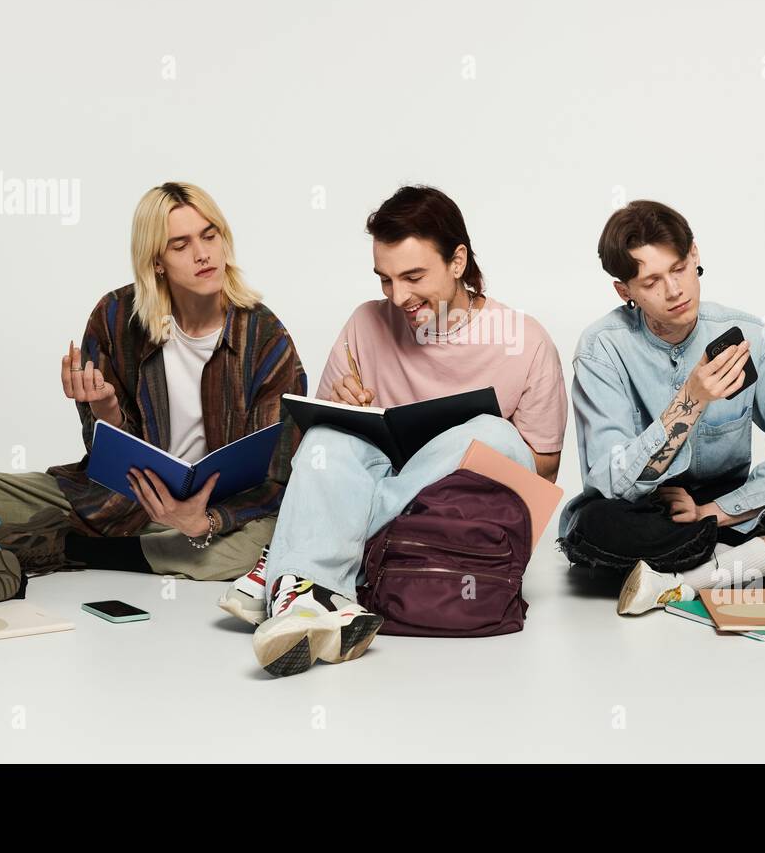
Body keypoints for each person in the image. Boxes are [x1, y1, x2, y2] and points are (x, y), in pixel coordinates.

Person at [0, 182, 307, 614]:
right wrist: (104, 409)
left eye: (210, 235)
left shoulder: (264, 337)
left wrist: (205, 520)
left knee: (253, 552)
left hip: (213, 516)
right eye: (181, 244)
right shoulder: (116, 315)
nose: (203, 254)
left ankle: (64, 548)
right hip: (122, 501)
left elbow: (278, 475)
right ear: (155, 262)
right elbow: (104, 455)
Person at [227, 185, 568, 677]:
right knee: (327, 438)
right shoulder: (367, 323)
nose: (398, 296)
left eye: (413, 276)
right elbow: (318, 459)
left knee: (492, 434)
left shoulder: (525, 339)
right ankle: (308, 601)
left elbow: (541, 476)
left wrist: (454, 448)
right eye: (385, 279)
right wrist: (340, 407)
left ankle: (292, 564)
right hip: (378, 499)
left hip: (458, 522)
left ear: (457, 261)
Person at [558, 200, 765, 614]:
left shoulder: (753, 336)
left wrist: (710, 513)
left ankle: (683, 581)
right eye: (652, 282)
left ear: (695, 255)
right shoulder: (601, 350)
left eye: (679, 268)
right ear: (624, 291)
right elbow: (612, 484)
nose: (674, 290)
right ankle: (756, 562)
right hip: (648, 513)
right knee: (596, 525)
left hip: (728, 511)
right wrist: (692, 400)